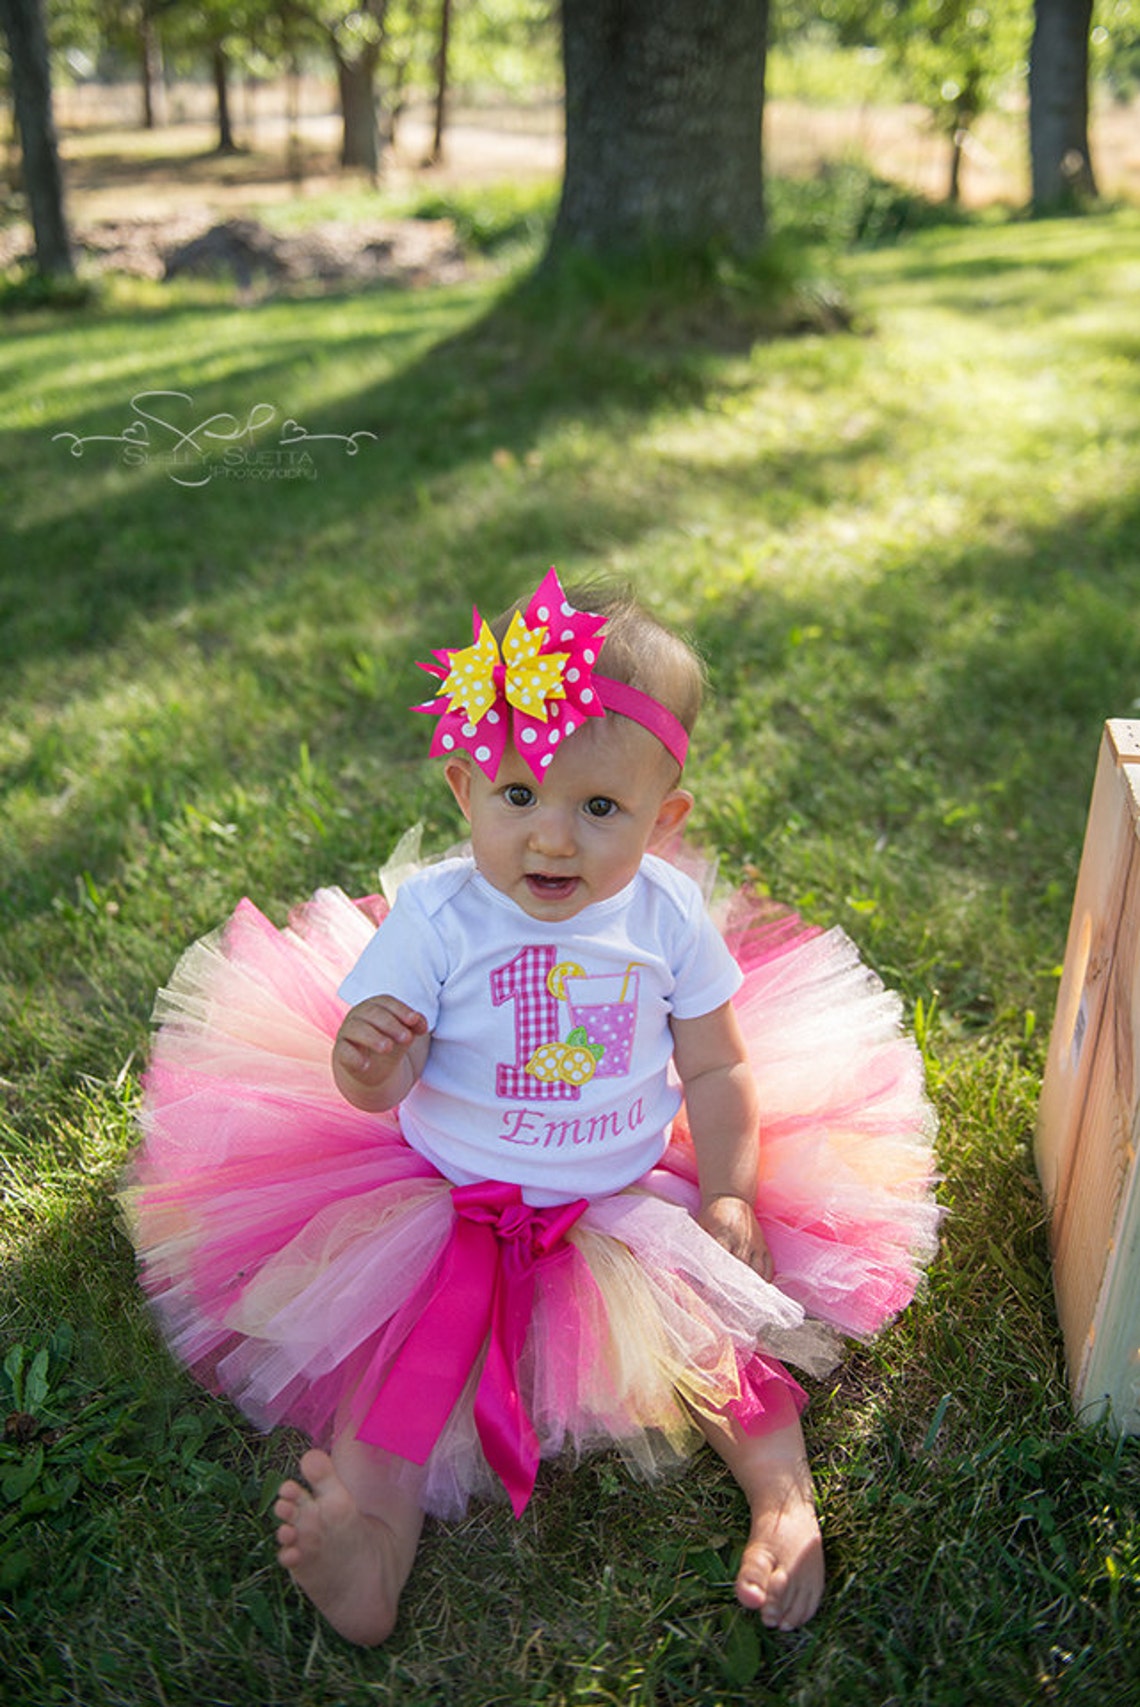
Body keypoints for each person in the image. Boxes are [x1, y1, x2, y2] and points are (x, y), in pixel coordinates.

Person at [122, 569, 939, 1649]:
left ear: (662, 819)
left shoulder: (666, 918)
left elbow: (716, 1070)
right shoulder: (437, 917)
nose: (553, 838)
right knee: (409, 1362)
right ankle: (371, 1544)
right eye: (520, 797)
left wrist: (731, 1191)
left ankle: (784, 1503)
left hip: (623, 1188)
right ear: (465, 789)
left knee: (718, 1336)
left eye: (599, 809)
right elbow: (378, 1084)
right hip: (450, 1191)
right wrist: (369, 1060)